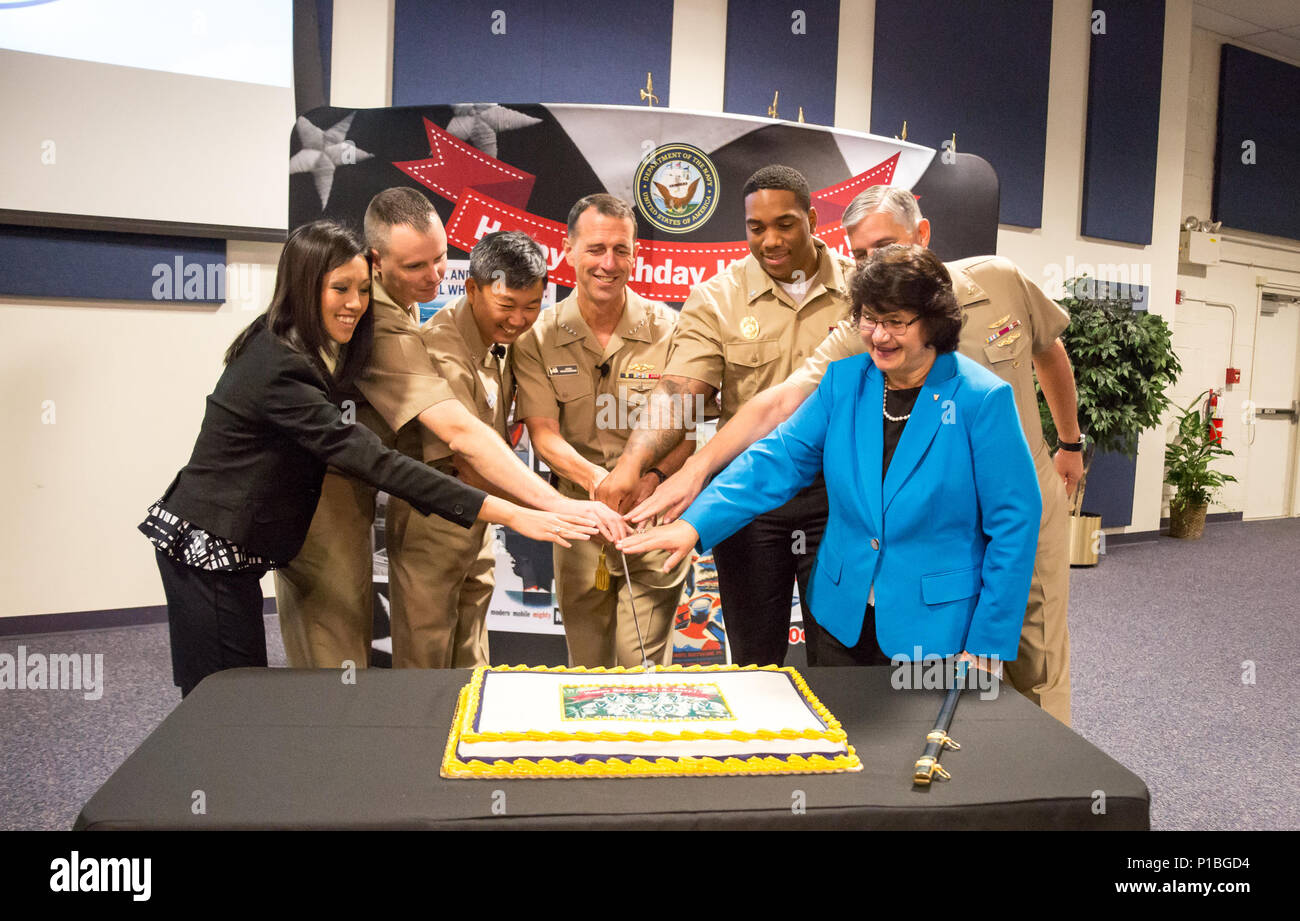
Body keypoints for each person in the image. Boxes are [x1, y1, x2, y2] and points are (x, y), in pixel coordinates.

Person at [629, 185, 1080, 722]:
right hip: (846, 611)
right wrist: (695, 522)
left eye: (896, 322)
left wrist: (985, 643)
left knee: (932, 743)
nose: (878, 335)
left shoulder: (981, 396)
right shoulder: (846, 379)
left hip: (931, 619)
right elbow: (778, 455)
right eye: (868, 318)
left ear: (932, 322)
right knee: (841, 738)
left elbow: (1014, 519)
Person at [139, 221, 597, 696]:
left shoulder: (313, 345)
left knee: (236, 694)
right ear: (302, 285)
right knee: (222, 699)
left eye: (363, 289)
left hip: (239, 548)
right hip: (207, 547)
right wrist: (520, 513)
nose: (356, 304)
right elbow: (380, 462)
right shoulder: (280, 364)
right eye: (340, 289)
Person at [274, 188, 625, 671]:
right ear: (375, 260)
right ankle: (342, 743)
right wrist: (555, 505)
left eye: (440, 258)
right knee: (338, 652)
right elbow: (461, 437)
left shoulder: (413, 309)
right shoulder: (386, 321)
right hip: (329, 490)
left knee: (461, 655)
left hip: (408, 492)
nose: (434, 275)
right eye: (415, 266)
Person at [599, 165, 854, 667]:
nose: (770, 240)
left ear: (812, 219)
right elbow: (679, 392)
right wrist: (632, 466)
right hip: (750, 499)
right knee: (756, 658)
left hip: (841, 497)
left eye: (785, 224)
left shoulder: (860, 287)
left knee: (841, 651)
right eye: (756, 228)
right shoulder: (716, 297)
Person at [512, 195, 692, 667]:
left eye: (621, 250)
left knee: (643, 672)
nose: (608, 264)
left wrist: (648, 481)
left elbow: (687, 434)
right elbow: (544, 435)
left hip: (651, 519)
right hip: (579, 523)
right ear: (568, 251)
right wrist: (599, 484)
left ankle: (644, 744)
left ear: (635, 254)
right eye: (595, 249)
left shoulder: (671, 330)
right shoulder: (537, 336)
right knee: (586, 670)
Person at [389, 230, 546, 668]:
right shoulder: (441, 348)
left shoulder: (500, 343)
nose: (519, 319)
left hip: (477, 522)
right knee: (425, 663)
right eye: (507, 306)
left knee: (471, 661)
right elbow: (468, 459)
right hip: (432, 525)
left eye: (531, 306)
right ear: (473, 289)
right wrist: (555, 510)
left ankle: (466, 738)